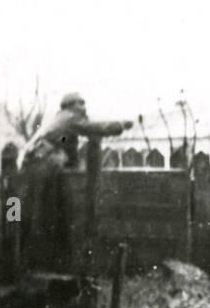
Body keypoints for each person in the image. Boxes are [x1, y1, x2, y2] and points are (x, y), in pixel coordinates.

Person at [19, 93, 132, 271]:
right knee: (39, 212)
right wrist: (119, 125)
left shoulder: (60, 120)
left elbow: (69, 149)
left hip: (37, 166)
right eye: (80, 103)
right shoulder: (69, 118)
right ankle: (36, 261)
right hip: (44, 165)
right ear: (70, 105)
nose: (84, 107)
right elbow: (94, 128)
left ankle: (30, 259)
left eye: (84, 103)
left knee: (30, 210)